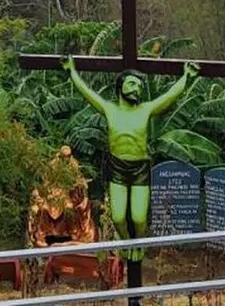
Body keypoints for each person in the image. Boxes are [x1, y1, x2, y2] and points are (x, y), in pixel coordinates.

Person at [60, 57, 200, 261]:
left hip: (140, 169)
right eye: (132, 84)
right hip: (117, 167)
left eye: (140, 86)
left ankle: (139, 243)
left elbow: (170, 96)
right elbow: (86, 92)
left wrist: (186, 76)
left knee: (139, 218)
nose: (137, 89)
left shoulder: (146, 109)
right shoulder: (109, 109)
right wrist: (72, 71)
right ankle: (127, 243)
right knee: (118, 218)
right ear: (120, 86)